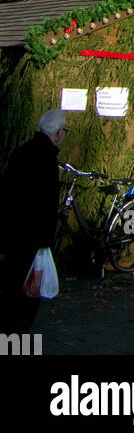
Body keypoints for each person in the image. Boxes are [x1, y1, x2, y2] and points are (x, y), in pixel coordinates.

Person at [0, 110, 68, 333]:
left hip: (12, 234)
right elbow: (46, 206)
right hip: (33, 239)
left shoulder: (22, 151)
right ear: (57, 133)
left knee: (11, 290)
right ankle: (14, 342)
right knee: (27, 296)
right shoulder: (47, 159)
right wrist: (46, 241)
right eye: (64, 131)